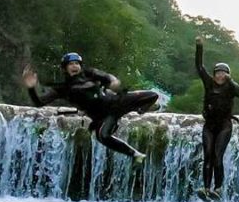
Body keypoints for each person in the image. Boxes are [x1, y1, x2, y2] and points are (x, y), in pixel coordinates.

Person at [22, 53, 158, 163]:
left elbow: (107, 77)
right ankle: (135, 154)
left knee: (152, 95)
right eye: (71, 64)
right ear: (65, 68)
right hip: (103, 116)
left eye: (77, 63)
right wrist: (31, 88)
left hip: (116, 102)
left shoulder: (90, 74)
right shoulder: (62, 88)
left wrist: (114, 81)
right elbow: (39, 103)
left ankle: (139, 110)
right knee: (103, 136)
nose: (74, 66)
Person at [195, 36, 239, 201]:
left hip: (224, 125)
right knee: (207, 155)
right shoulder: (209, 83)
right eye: (218, 72)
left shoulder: (231, 87)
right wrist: (199, 47)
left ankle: (218, 187)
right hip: (209, 125)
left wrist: (231, 82)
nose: (220, 75)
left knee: (217, 156)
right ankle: (206, 187)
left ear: (227, 75)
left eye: (223, 73)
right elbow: (199, 66)